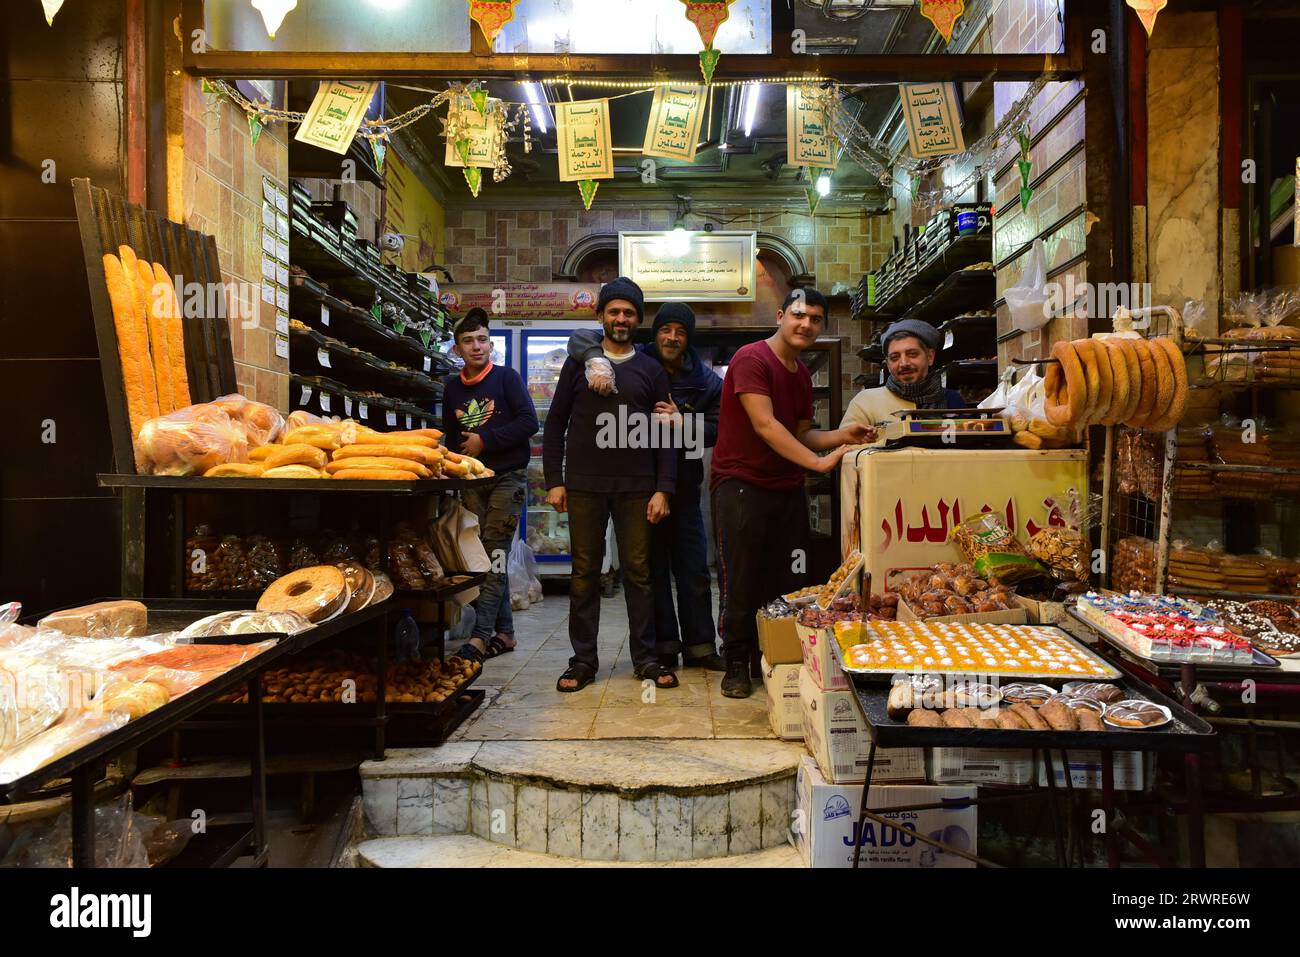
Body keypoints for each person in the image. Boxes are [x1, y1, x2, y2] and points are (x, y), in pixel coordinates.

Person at [710, 289, 877, 698]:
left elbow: (803, 434)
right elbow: (766, 426)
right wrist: (816, 464)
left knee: (787, 581)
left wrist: (843, 434)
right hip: (740, 485)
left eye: (816, 319)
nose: (806, 324)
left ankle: (771, 654)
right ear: (782, 315)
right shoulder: (751, 358)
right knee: (741, 577)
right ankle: (735, 661)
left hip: (784, 490)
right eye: (799, 315)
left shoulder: (801, 374)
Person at [566, 303, 725, 671]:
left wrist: (684, 420)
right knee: (649, 570)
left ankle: (701, 646)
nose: (671, 337)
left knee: (694, 570)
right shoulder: (640, 358)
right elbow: (582, 337)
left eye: (680, 332)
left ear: (688, 339)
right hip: (638, 489)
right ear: (653, 333)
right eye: (665, 330)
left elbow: (718, 429)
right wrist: (595, 360)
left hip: (681, 488)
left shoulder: (706, 381)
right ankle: (663, 646)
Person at [544, 277, 678, 693]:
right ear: (601, 315)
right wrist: (555, 480)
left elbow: (666, 433)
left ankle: (646, 659)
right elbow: (555, 424)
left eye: (629, 313)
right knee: (584, 573)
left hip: (638, 487)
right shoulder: (579, 364)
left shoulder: (651, 369)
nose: (621, 319)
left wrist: (664, 488)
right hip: (583, 485)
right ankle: (583, 660)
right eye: (614, 311)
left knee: (639, 573)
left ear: (638, 319)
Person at [441, 308, 539, 662]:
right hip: (471, 481)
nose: (476, 346)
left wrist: (486, 441)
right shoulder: (452, 390)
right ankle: (505, 633)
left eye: (482, 339)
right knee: (480, 555)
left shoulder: (506, 379)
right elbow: (452, 439)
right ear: (457, 349)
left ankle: (481, 637)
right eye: (468, 341)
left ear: (490, 344)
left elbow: (530, 422)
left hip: (506, 478)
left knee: (493, 556)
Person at [840, 318, 965, 436]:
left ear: (930, 356)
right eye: (895, 357)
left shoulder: (952, 401)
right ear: (888, 363)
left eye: (912, 354)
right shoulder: (865, 403)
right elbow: (845, 450)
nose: (904, 363)